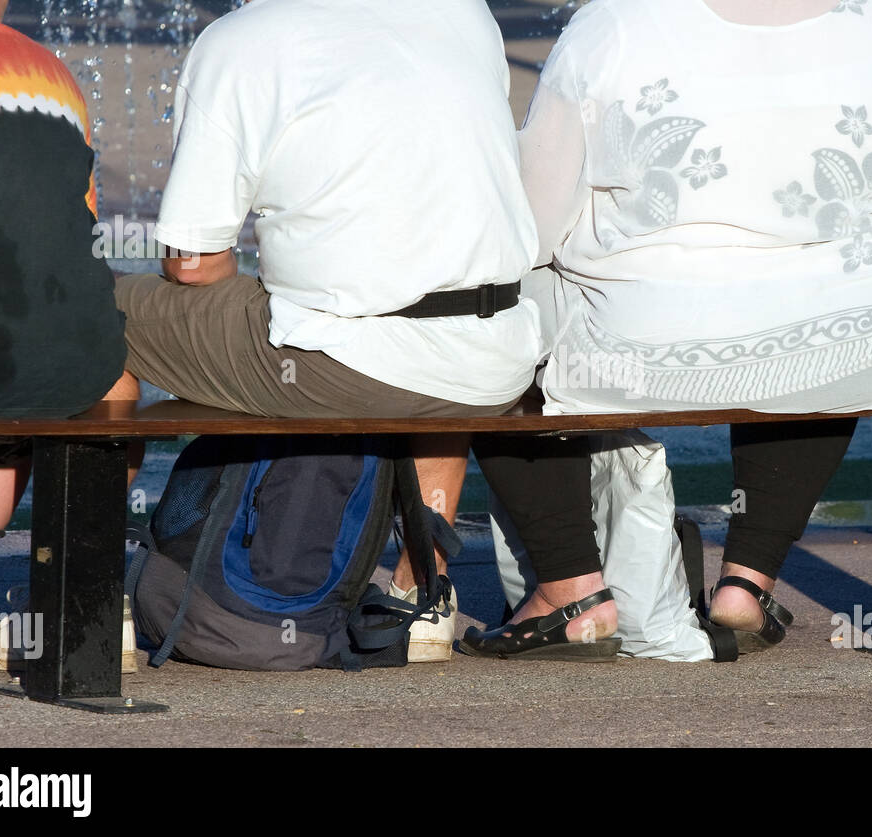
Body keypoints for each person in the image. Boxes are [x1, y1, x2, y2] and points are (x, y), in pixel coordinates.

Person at [462, 0, 872, 659]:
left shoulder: (614, 20)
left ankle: (571, 585)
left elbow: (535, 208)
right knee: (820, 312)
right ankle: (747, 580)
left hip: (641, 341)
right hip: (858, 337)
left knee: (497, 309)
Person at [107, 0, 545, 662]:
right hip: (498, 355)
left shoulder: (242, 39)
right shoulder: (464, 11)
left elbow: (192, 266)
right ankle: (423, 594)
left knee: (102, 313)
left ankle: (93, 594)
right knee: (431, 311)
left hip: (354, 361)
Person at [0, 0, 128, 671]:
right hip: (70, 359)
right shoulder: (51, 72)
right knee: (68, 378)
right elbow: (70, 237)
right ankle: (82, 597)